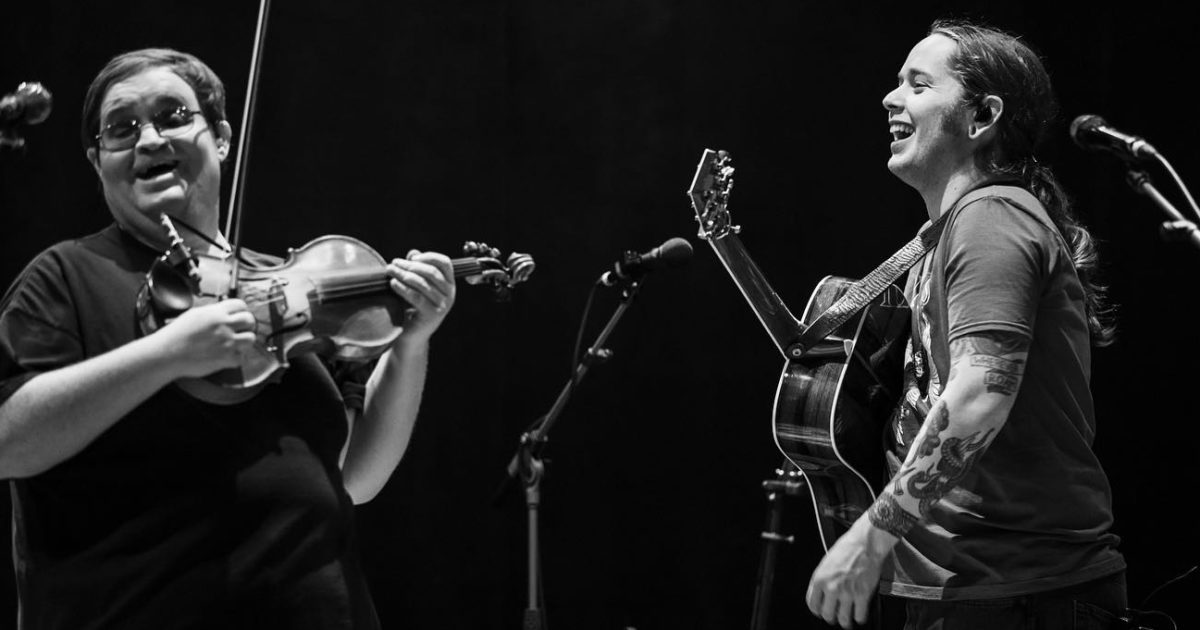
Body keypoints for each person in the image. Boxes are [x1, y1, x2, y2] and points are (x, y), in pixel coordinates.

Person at [0, 48, 456, 629]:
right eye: (121, 129)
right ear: (97, 161)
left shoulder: (295, 291)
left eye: (172, 116)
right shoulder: (64, 278)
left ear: (220, 138)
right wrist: (169, 354)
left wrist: (410, 344)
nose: (148, 139)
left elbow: (358, 477)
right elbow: (8, 442)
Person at [804, 19, 1127, 630]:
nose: (890, 98)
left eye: (918, 84)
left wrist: (871, 537)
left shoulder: (991, 217)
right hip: (970, 589)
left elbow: (980, 395)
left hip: (1015, 591)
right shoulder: (944, 236)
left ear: (982, 117)